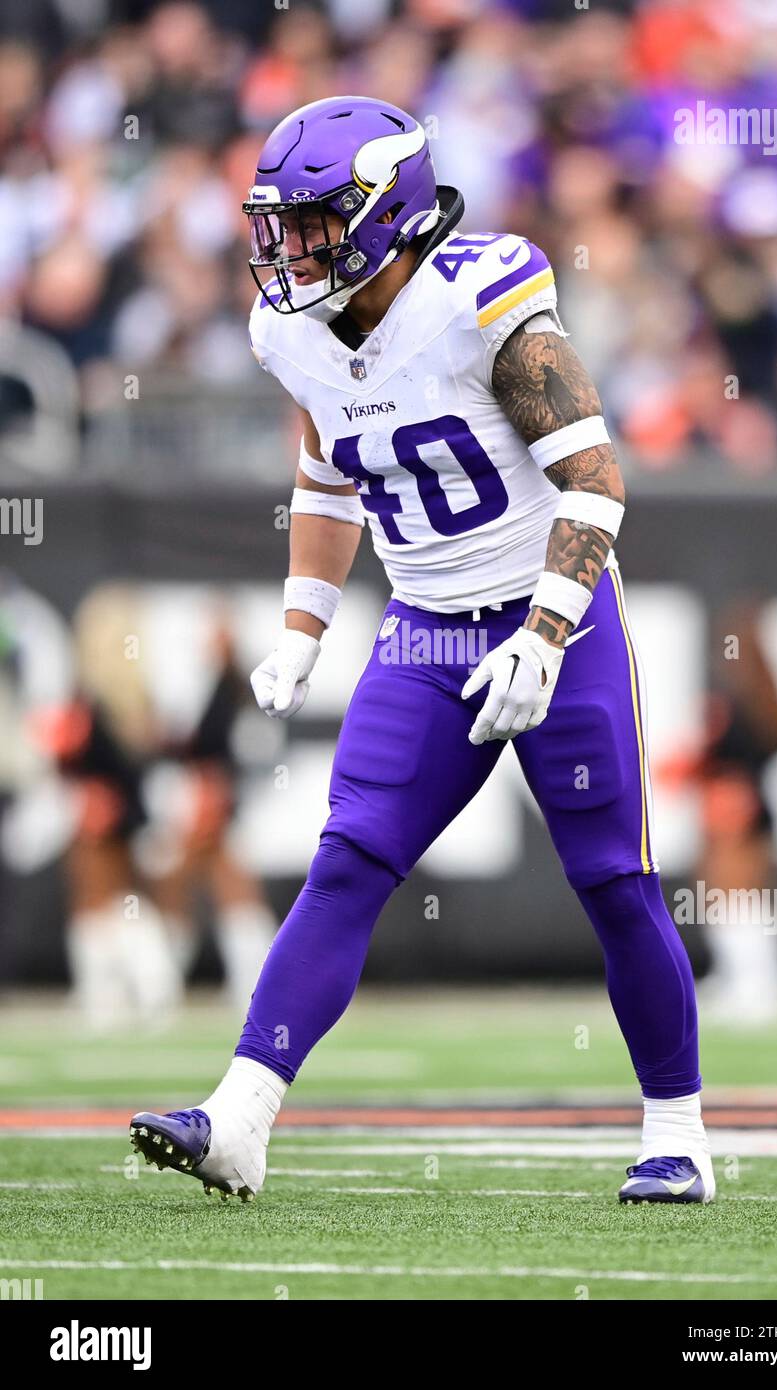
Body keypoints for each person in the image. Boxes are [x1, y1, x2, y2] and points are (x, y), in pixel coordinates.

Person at [131, 96, 715, 1205]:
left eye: (311, 223)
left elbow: (595, 484)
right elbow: (326, 469)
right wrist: (303, 626)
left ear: (385, 213)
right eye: (279, 225)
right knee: (348, 858)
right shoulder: (292, 330)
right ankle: (240, 1119)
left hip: (561, 613)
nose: (288, 250)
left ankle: (678, 1134)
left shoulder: (481, 301)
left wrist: (545, 636)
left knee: (614, 879)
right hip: (423, 628)